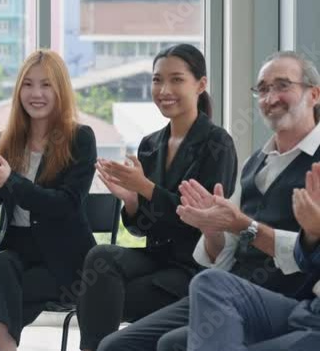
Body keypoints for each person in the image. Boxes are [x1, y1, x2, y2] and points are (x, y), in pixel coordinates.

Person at [99, 50, 320, 350]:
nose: (271, 97)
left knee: (173, 341)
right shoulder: (256, 163)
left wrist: (243, 225)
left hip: (282, 298)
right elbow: (222, 255)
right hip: (227, 288)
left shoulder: (220, 143)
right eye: (263, 89)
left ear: (314, 94)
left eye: (283, 86)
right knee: (116, 346)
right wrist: (212, 229)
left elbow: (299, 254)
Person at [77, 44, 238, 350]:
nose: (164, 90)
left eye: (176, 79)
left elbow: (201, 220)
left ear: (201, 84)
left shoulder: (217, 143)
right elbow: (141, 229)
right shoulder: (150, 145)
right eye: (157, 80)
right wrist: (132, 201)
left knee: (103, 297)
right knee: (101, 258)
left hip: (193, 268)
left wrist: (146, 188)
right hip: (157, 260)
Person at [0, 49, 98, 351]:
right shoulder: (7, 140)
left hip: (64, 265)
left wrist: (11, 181)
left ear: (60, 90)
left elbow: (65, 205)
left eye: (45, 85)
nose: (35, 93)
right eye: (28, 84)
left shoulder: (80, 138)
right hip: (16, 257)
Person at [183, 163, 320, 351]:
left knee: (172, 342)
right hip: (308, 309)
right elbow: (305, 259)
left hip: (296, 304)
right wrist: (313, 235)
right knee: (208, 282)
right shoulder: (255, 164)